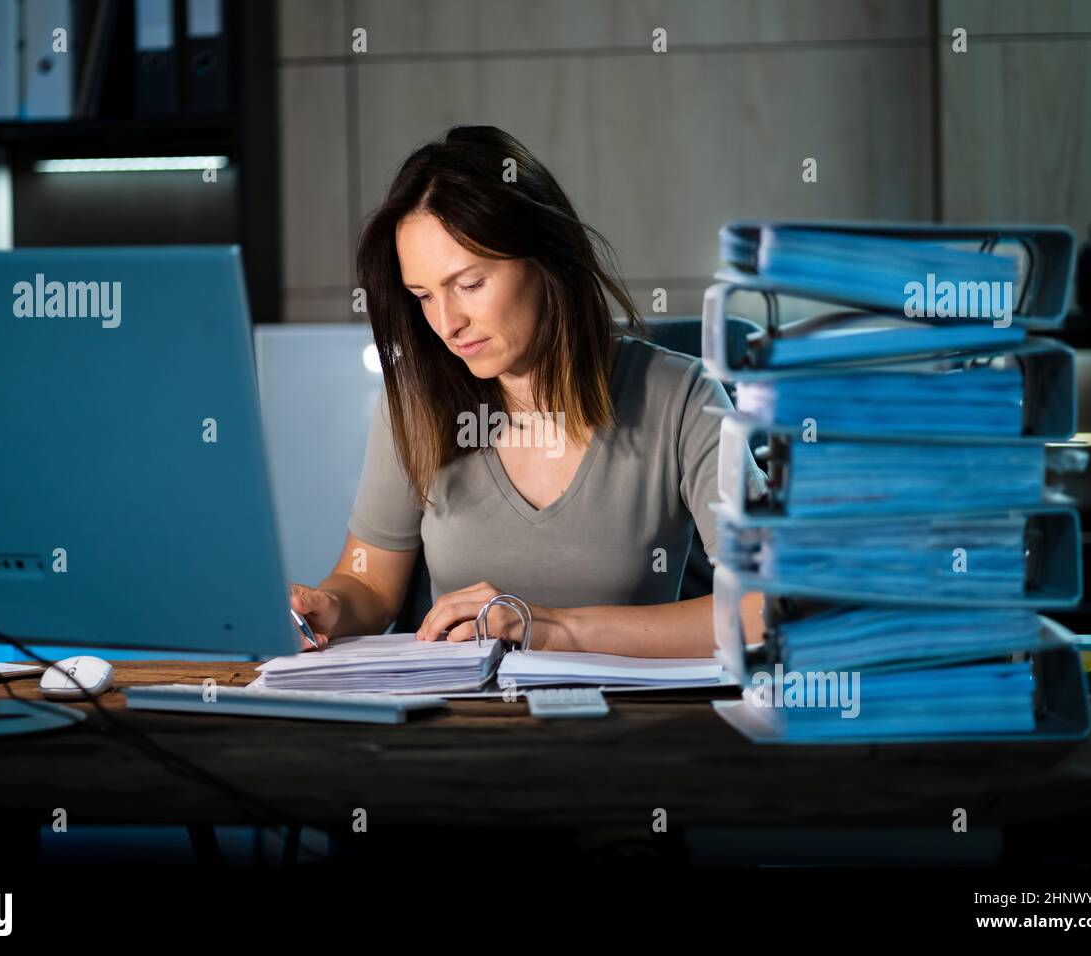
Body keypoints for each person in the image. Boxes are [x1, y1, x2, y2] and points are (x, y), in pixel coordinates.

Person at [290, 125, 765, 657]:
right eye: (423, 296)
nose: (446, 323)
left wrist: (551, 629)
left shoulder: (683, 398)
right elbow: (372, 586)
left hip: (627, 726)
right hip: (462, 728)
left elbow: (764, 606)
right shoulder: (415, 404)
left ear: (545, 259)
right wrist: (329, 605)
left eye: (469, 285)